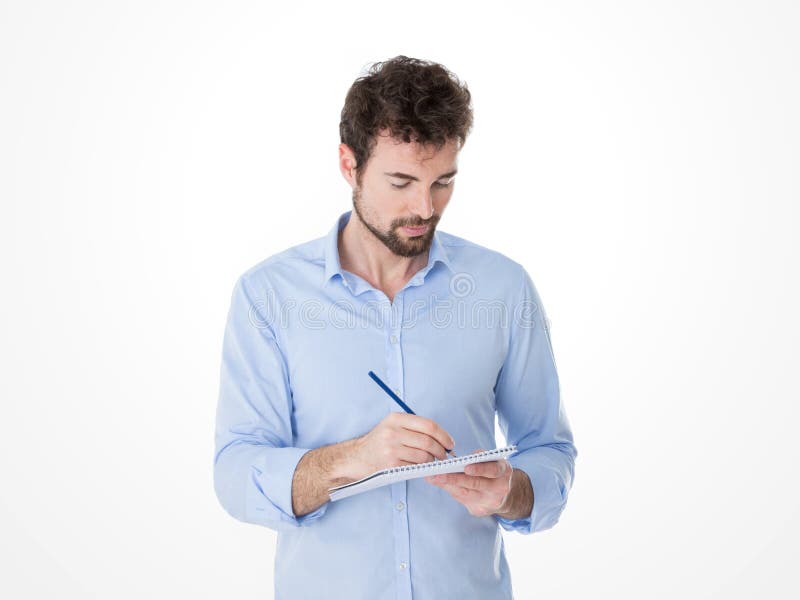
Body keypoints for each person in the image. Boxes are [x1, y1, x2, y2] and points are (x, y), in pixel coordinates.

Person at [213, 55, 577, 600]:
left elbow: (550, 450)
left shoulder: (503, 289)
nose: (424, 208)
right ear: (348, 164)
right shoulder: (268, 297)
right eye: (401, 181)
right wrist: (354, 460)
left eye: (442, 183)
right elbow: (235, 473)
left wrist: (512, 492)